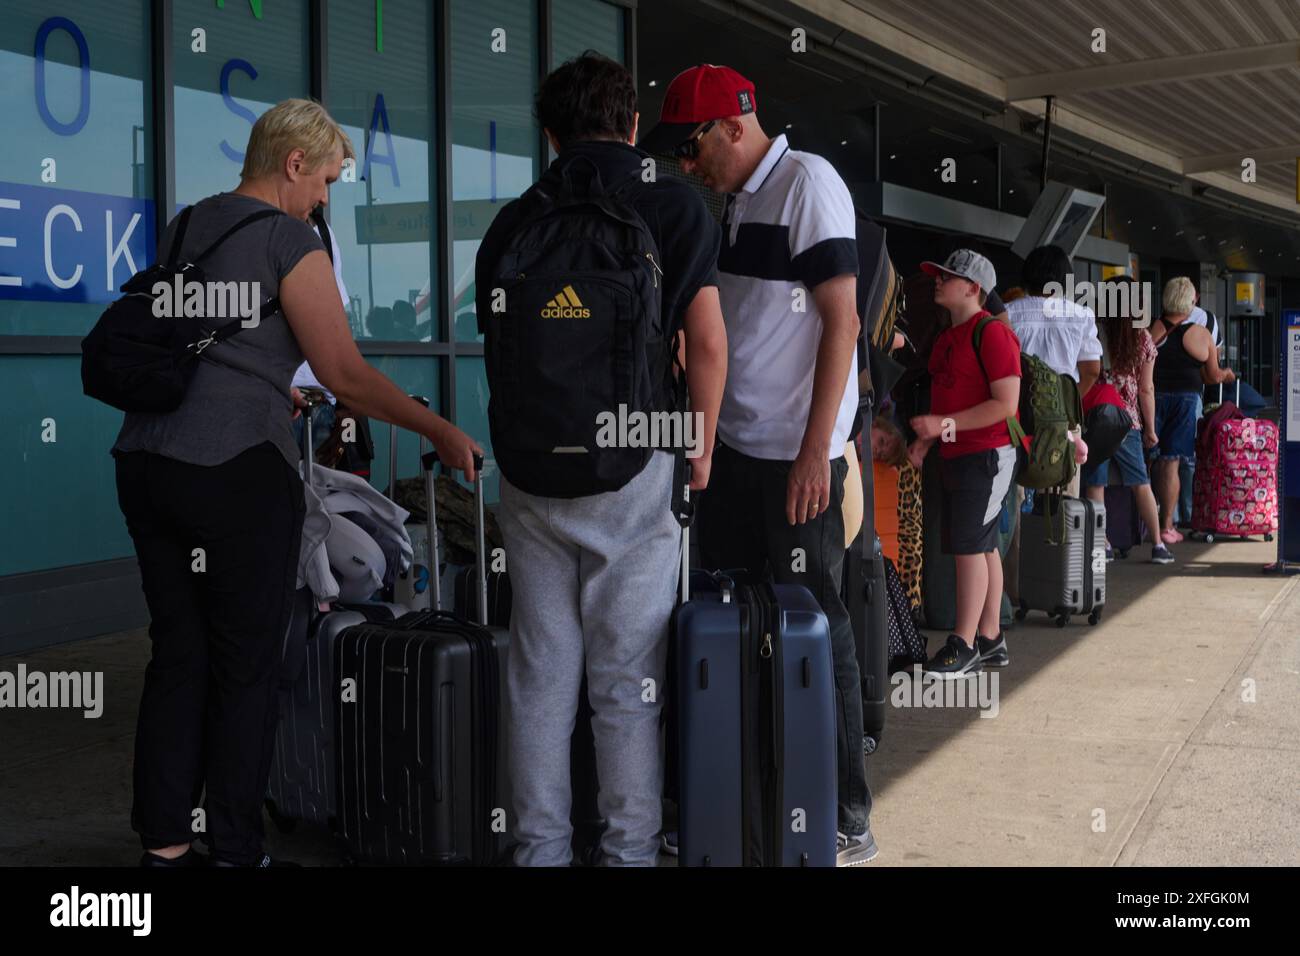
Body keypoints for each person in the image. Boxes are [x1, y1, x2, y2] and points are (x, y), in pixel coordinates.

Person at [112, 99, 481, 868]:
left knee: (180, 652)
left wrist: (266, 380)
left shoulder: (189, 223)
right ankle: (238, 847)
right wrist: (439, 430)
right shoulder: (288, 237)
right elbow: (344, 375)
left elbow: (207, 339)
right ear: (293, 164)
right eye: (327, 181)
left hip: (149, 462)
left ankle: (166, 845)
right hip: (232, 471)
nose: (326, 198)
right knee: (246, 664)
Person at [476, 53, 727, 866]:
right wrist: (702, 447)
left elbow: (502, 349)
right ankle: (628, 854)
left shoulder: (513, 223)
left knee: (540, 677)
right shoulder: (674, 206)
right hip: (635, 463)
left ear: (549, 134)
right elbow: (710, 346)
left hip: (530, 473)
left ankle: (539, 851)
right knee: (627, 683)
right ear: (629, 125)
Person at [643, 63, 875, 865]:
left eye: (693, 144)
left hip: (793, 462)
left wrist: (817, 449)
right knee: (736, 625)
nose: (686, 163)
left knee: (816, 624)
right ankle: (740, 798)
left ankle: (846, 813)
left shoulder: (809, 184)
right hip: (736, 455)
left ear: (734, 127)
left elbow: (841, 322)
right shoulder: (736, 200)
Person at [906, 250, 1019, 678]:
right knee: (981, 544)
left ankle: (964, 643)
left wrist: (939, 426)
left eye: (947, 277)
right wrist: (927, 441)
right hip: (961, 454)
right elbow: (952, 400)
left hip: (986, 455)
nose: (938, 281)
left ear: (973, 288)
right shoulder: (950, 337)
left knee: (970, 547)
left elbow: (1005, 406)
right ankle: (988, 639)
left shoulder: (991, 334)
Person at [1083, 310, 1173, 564]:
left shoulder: (1095, 332)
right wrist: (1150, 429)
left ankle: (1103, 544)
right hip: (1127, 421)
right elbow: (1146, 388)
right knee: (1140, 483)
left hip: (1098, 417)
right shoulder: (1143, 338)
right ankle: (1157, 544)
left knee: (1096, 483)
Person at [1150, 277, 1234, 544]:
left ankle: (1145, 521)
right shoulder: (1201, 335)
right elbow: (1211, 376)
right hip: (1186, 402)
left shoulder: (1153, 329)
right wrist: (1226, 375)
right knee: (1172, 462)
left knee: (1150, 462)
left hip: (1153, 399)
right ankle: (1166, 526)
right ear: (1191, 301)